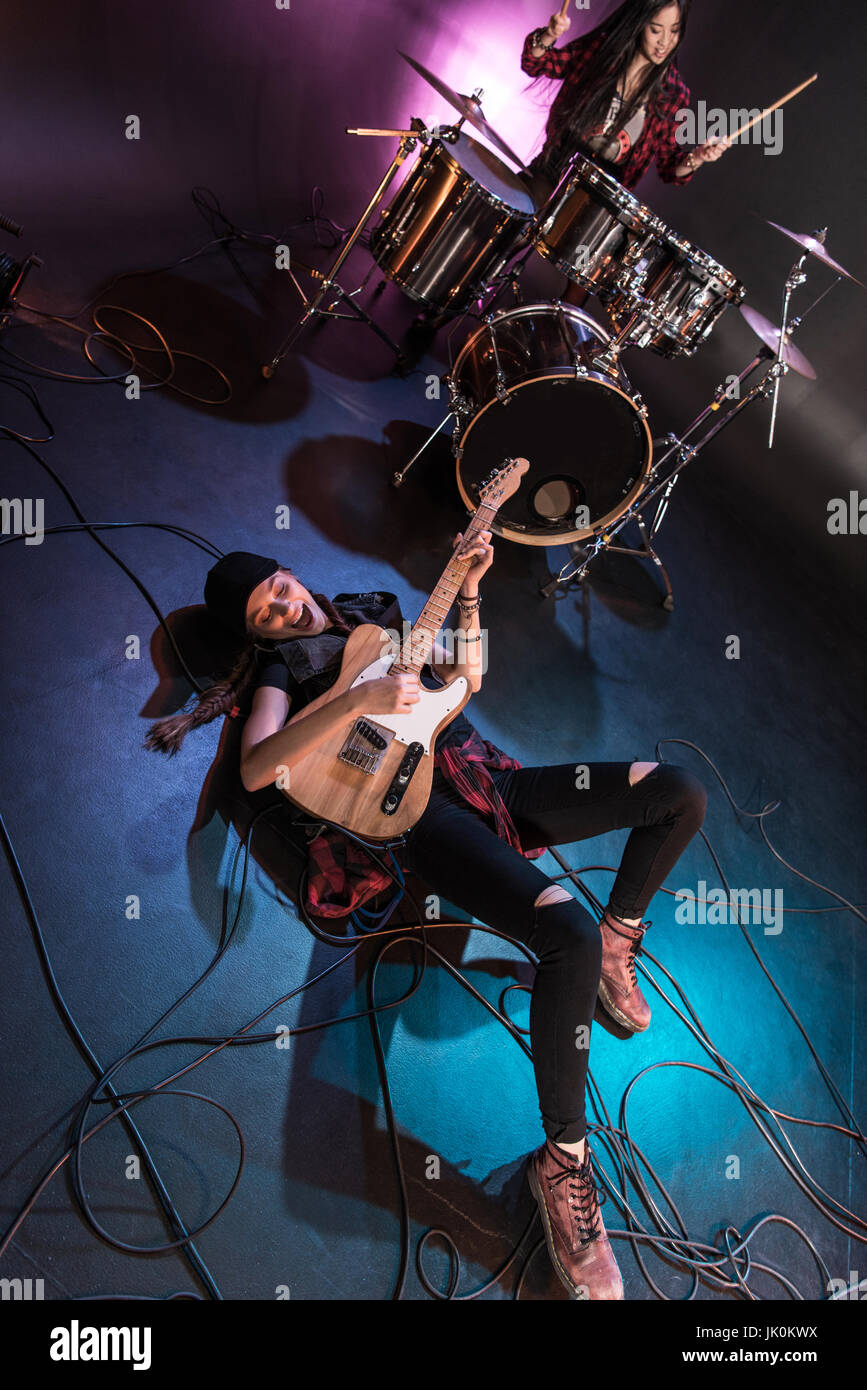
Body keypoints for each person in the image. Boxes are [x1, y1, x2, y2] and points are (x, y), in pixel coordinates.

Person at [145, 538, 707, 1301]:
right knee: (560, 932)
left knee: (676, 791)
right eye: (266, 611)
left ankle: (618, 943)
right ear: (259, 633)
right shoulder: (286, 669)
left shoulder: (372, 620)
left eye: (280, 586)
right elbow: (254, 767)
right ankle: (564, 1162)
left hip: (488, 781)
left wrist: (469, 591)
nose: (285, 603)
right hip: (418, 815)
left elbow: (466, 677)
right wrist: (354, 702)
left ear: (292, 574)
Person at [523, 0, 730, 307]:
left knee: (588, 276)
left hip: (602, 200)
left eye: (674, 31)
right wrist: (548, 36)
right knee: (504, 225)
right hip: (556, 169)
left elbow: (670, 168)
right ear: (638, 24)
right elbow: (537, 64)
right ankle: (439, 314)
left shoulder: (674, 93)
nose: (665, 42)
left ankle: (555, 341)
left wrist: (697, 157)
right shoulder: (603, 51)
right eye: (656, 30)